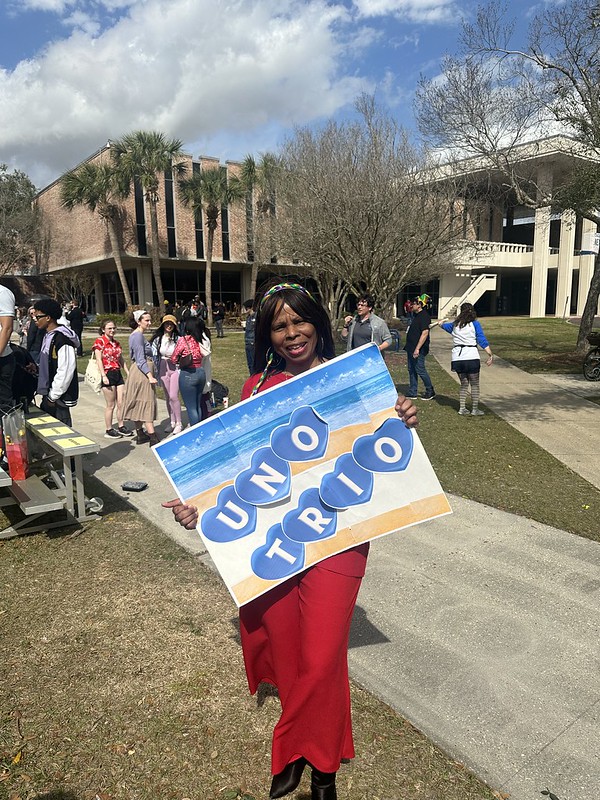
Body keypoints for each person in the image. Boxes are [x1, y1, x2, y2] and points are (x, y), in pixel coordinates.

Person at [163, 281, 418, 800]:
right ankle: (321, 765)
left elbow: (385, 444)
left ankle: (303, 756)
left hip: (339, 538)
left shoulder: (352, 376)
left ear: (317, 322)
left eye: (299, 321)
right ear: (267, 335)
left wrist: (406, 420)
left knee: (322, 656)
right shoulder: (255, 387)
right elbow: (235, 472)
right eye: (279, 326)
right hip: (274, 542)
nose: (291, 333)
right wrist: (200, 507)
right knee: (289, 652)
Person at [440, 302, 493, 415]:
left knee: (464, 384)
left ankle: (462, 408)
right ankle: (474, 409)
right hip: (471, 356)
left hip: (458, 358)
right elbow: (481, 339)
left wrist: (440, 323)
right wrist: (489, 354)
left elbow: (444, 326)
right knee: (474, 384)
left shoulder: (454, 325)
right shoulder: (475, 324)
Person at [33, 298, 80, 425]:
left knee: (61, 434)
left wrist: (53, 396)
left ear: (48, 317)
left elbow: (65, 370)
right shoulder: (48, 335)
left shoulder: (62, 339)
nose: (35, 319)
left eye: (37, 316)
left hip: (58, 399)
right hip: (48, 394)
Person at [122, 310, 160, 446]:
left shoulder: (137, 335)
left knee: (138, 402)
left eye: (150, 320)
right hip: (142, 372)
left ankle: (140, 434)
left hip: (139, 371)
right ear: (139, 321)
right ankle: (152, 436)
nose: (149, 323)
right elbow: (140, 359)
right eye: (146, 320)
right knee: (145, 401)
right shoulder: (137, 336)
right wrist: (149, 376)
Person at [92, 319, 134, 439]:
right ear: (103, 329)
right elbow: (99, 360)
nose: (112, 330)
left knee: (121, 403)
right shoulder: (100, 342)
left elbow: (120, 359)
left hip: (117, 373)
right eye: (109, 328)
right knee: (111, 404)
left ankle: (121, 426)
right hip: (107, 373)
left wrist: (127, 372)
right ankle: (109, 429)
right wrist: (103, 375)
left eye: (113, 328)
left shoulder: (116, 343)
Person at [170, 317, 210, 427]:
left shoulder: (184, 340)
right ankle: (200, 427)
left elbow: (174, 358)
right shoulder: (201, 339)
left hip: (188, 373)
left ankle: (195, 431)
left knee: (191, 407)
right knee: (197, 405)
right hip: (200, 372)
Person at [151, 314, 183, 434]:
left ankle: (179, 422)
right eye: (166, 323)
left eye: (171, 324)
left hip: (175, 368)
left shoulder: (179, 339)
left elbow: (183, 353)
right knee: (168, 396)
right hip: (163, 368)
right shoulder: (158, 339)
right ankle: (172, 421)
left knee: (174, 396)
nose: (169, 326)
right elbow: (153, 354)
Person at [404, 294, 435, 400]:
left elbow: (425, 333)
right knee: (411, 369)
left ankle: (430, 390)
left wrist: (417, 348)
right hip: (410, 347)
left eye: (414, 304)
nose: (411, 305)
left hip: (419, 349)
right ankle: (413, 391)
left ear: (420, 305)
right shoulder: (415, 316)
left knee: (419, 369)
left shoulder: (424, 316)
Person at [0, 283, 16, 425]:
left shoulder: (2, 293)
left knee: (3, 409)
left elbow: (7, 328)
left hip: (2, 359)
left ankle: (6, 445)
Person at [242, 298, 257, 374]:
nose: (245, 310)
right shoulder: (248, 318)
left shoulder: (256, 317)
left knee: (254, 363)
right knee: (250, 364)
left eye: (245, 308)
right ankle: (252, 377)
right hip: (247, 342)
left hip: (253, 342)